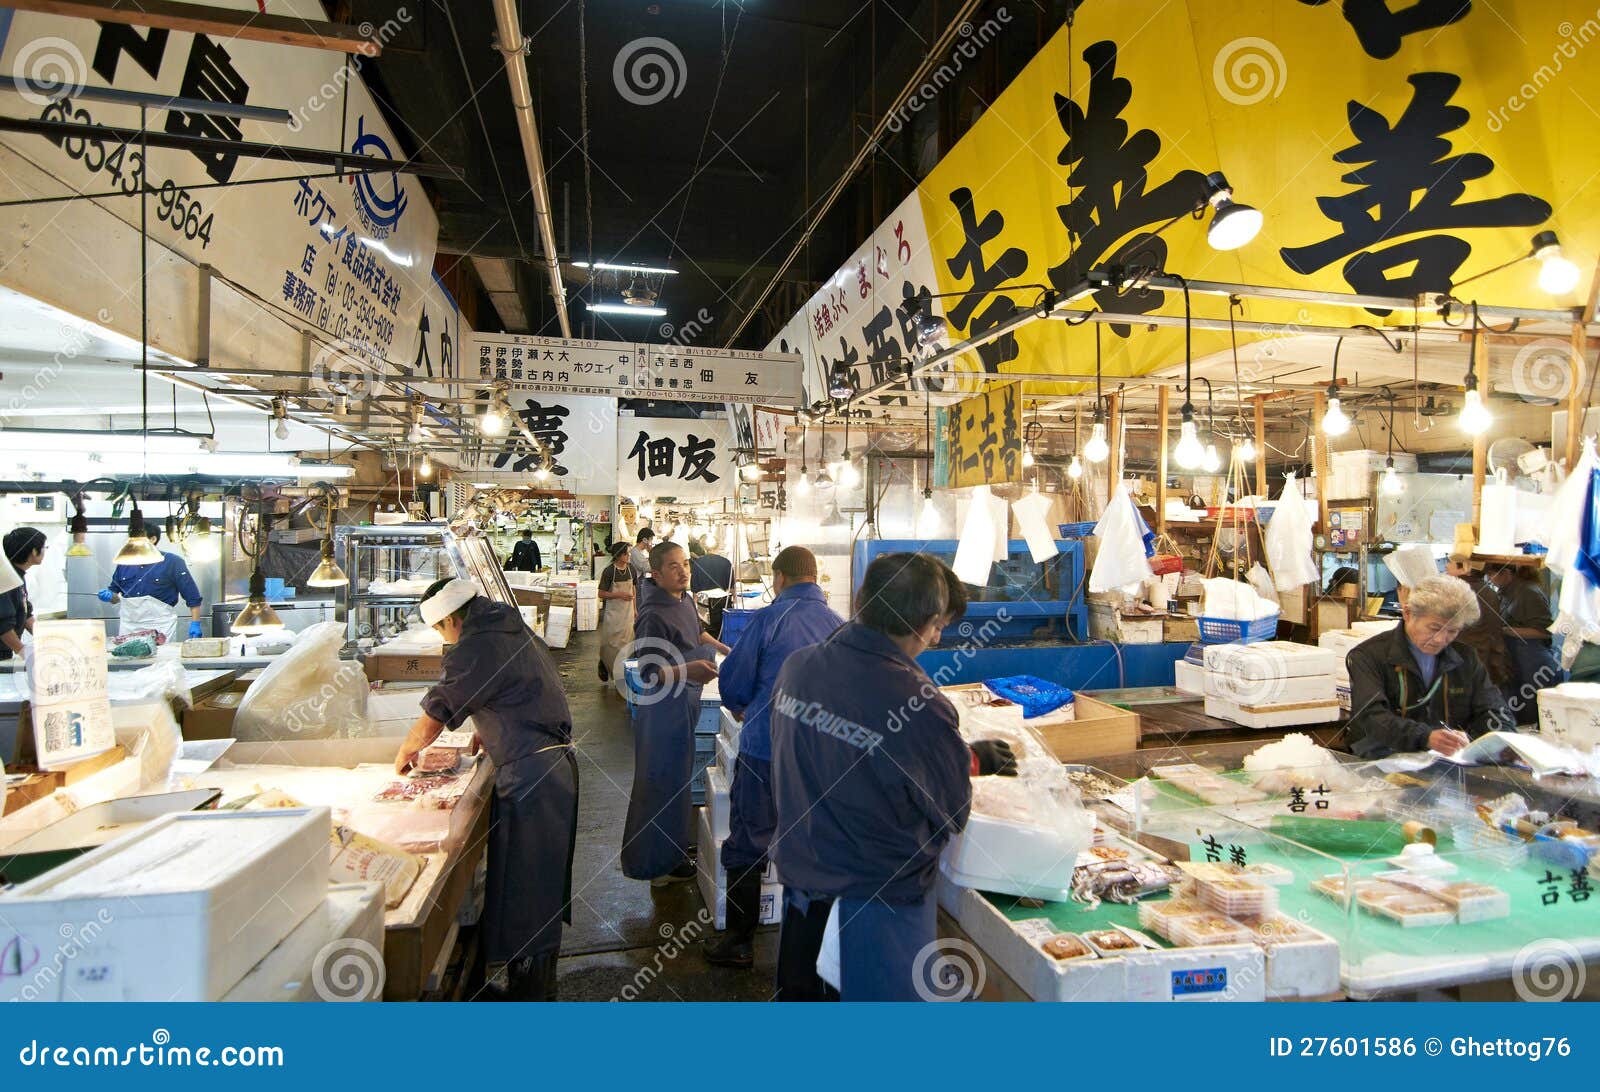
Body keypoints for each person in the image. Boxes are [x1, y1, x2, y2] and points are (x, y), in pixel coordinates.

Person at [769, 553, 1017, 1001]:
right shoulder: (919, 703)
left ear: (864, 600)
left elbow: (846, 750)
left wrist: (959, 755)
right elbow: (951, 812)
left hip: (803, 895)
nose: (937, 637)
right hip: (876, 911)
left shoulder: (798, 668)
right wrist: (959, 762)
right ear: (924, 622)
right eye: (938, 625)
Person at [392, 578, 577, 1001]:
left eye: (441, 630)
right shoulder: (506, 624)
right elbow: (516, 686)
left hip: (534, 773)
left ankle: (532, 996)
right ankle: (528, 985)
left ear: (453, 620)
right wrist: (490, 726)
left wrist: (404, 753)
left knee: (530, 886)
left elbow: (439, 706)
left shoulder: (476, 643)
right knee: (528, 881)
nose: (444, 640)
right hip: (544, 761)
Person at [703, 546, 844, 969]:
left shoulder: (768, 620)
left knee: (749, 839)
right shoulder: (841, 627)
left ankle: (740, 943)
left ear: (780, 578)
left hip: (767, 751)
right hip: (823, 760)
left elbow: (733, 683)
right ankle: (815, 951)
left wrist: (748, 705)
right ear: (815, 577)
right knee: (814, 846)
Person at [621, 540, 730, 886]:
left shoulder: (683, 600)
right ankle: (654, 867)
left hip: (687, 700)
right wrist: (689, 669)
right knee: (659, 782)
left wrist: (728, 650)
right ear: (655, 573)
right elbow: (649, 672)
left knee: (679, 780)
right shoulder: (652, 614)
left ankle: (673, 853)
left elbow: (698, 632)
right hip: (663, 710)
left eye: (685, 564)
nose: (683, 571)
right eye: (673, 566)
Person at [1345, 574, 1514, 759]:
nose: (1441, 639)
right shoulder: (1367, 656)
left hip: (1448, 764)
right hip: (1382, 760)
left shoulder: (1466, 657)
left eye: (1453, 631)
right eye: (1434, 628)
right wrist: (1425, 737)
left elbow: (1496, 711)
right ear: (1408, 614)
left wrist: (1479, 739)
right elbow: (1371, 717)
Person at [97, 525, 203, 643]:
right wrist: (109, 596)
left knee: (161, 660)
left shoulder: (173, 562)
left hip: (161, 626)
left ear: (153, 539)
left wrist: (195, 623)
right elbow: (115, 598)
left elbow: (192, 596)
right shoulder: (124, 563)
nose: (133, 545)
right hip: (129, 626)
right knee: (129, 659)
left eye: (138, 541)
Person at [1488, 563, 1562, 723]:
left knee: (1533, 717)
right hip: (1516, 661)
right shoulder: (1505, 592)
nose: (1490, 579)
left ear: (1506, 573)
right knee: (1517, 715)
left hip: (1534, 663)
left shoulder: (1528, 592)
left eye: (1491, 574)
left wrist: (1505, 630)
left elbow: (1545, 631)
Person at [1444, 555, 1512, 692]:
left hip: (1462, 664)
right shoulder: (1491, 593)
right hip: (1487, 661)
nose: (1446, 566)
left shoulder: (1455, 592)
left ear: (1465, 569)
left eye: (1450, 562)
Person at [0, 527, 46, 661]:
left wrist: (47, 640)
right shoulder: (5, 577)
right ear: (33, 551)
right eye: (44, 547)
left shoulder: (17, 575)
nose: (45, 551)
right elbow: (3, 624)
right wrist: (24, 652)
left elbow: (25, 613)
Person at [596, 541, 635, 691]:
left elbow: (634, 590)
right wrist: (618, 594)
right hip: (613, 613)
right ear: (619, 555)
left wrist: (635, 608)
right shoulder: (609, 571)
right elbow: (601, 593)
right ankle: (605, 664)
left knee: (627, 645)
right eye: (626, 553)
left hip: (628, 613)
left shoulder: (631, 569)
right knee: (610, 644)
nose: (628, 556)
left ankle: (622, 676)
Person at [690, 537, 735, 639]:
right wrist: (734, 598)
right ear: (718, 546)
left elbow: (694, 588)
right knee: (723, 631)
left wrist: (694, 605)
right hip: (723, 600)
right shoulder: (726, 562)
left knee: (707, 632)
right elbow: (731, 585)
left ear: (703, 547)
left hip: (703, 601)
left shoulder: (698, 563)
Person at [630, 528, 654, 593]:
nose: (651, 542)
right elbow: (647, 568)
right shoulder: (635, 552)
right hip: (637, 582)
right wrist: (651, 552)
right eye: (651, 539)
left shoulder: (641, 552)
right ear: (645, 540)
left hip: (640, 581)